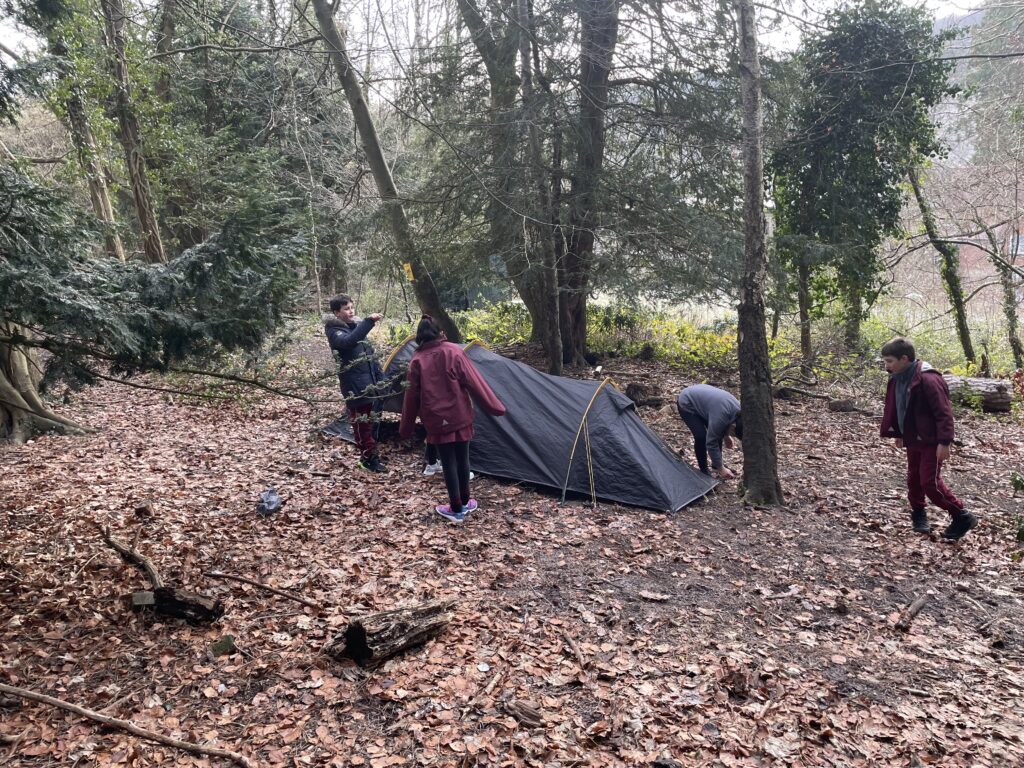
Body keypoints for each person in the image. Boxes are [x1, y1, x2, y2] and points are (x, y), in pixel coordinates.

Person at [399, 315, 506, 522]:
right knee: (463, 459)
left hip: (436, 421)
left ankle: (456, 509)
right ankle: (465, 502)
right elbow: (475, 381)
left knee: (448, 463)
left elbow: (410, 396)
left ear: (419, 337)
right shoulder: (454, 351)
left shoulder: (417, 361)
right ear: (440, 332)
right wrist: (495, 407)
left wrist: (406, 427)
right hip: (460, 415)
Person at [880, 337, 978, 540]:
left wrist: (945, 442)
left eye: (889, 361)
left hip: (931, 441)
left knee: (929, 482)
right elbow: (898, 406)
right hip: (913, 437)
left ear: (904, 358)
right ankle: (919, 515)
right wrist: (899, 432)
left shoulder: (928, 379)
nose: (887, 366)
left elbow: (944, 413)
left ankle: (961, 515)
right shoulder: (897, 377)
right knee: (913, 478)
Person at [325, 294, 387, 473]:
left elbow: (370, 356)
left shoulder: (356, 328)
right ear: (337, 313)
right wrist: (368, 322)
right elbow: (348, 342)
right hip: (355, 388)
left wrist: (381, 380)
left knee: (372, 423)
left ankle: (371, 456)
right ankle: (368, 460)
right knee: (362, 424)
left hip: (370, 384)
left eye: (352, 307)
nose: (351, 311)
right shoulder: (334, 331)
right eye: (346, 309)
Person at [676, 383, 742, 479]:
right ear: (733, 426)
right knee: (701, 437)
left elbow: (725, 425)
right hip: (687, 402)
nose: (733, 435)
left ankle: (716, 464)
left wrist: (727, 436)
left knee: (718, 432)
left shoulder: (740, 412)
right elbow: (711, 442)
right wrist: (721, 470)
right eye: (733, 434)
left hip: (706, 403)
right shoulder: (721, 416)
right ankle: (704, 470)